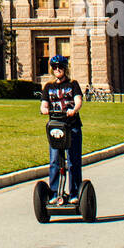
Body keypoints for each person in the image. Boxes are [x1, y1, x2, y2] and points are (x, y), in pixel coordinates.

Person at [40, 55, 83, 205]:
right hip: (55, 127)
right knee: (54, 161)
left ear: (65, 68)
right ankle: (53, 194)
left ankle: (74, 193)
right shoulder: (48, 87)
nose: (57, 70)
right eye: (55, 67)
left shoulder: (73, 84)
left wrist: (74, 109)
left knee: (73, 161)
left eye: (60, 67)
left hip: (72, 126)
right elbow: (43, 104)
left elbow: (78, 101)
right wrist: (44, 109)